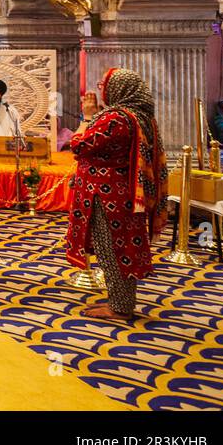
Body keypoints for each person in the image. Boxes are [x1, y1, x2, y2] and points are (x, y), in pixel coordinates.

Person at [65, 68, 168, 322]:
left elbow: (79, 145)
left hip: (106, 196)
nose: (101, 89)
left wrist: (87, 117)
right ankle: (122, 301)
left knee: (111, 251)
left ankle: (120, 307)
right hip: (127, 194)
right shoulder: (142, 116)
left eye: (105, 84)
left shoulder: (116, 118)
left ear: (119, 89)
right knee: (123, 250)